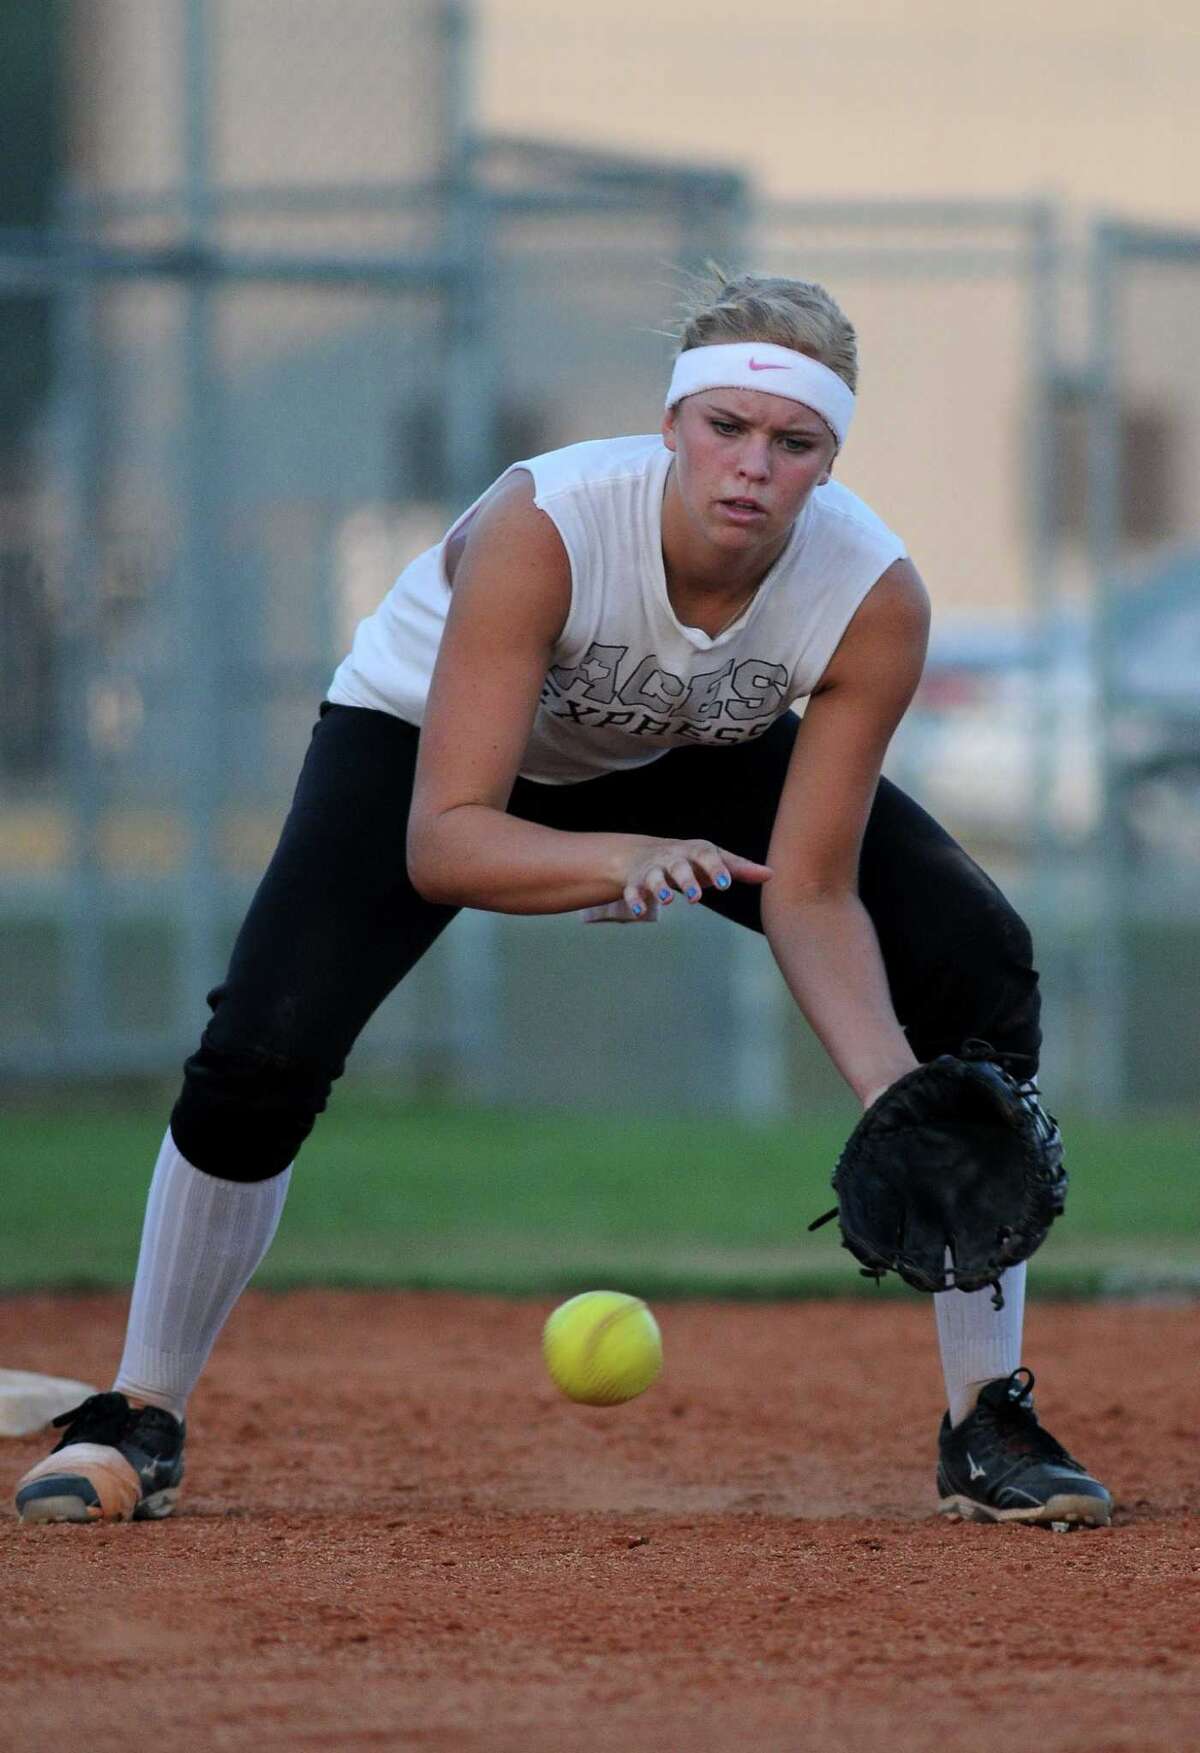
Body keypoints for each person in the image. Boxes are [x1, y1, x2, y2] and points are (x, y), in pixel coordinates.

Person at [15, 272, 1111, 1529]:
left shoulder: (872, 597)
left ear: (828, 461)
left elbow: (813, 890)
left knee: (977, 962)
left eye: (793, 442)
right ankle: (138, 1412)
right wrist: (613, 856)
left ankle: (986, 1422)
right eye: (726, 428)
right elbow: (449, 840)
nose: (753, 465)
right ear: (671, 428)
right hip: (435, 745)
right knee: (263, 1043)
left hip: (695, 744)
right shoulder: (552, 523)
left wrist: (893, 1096)